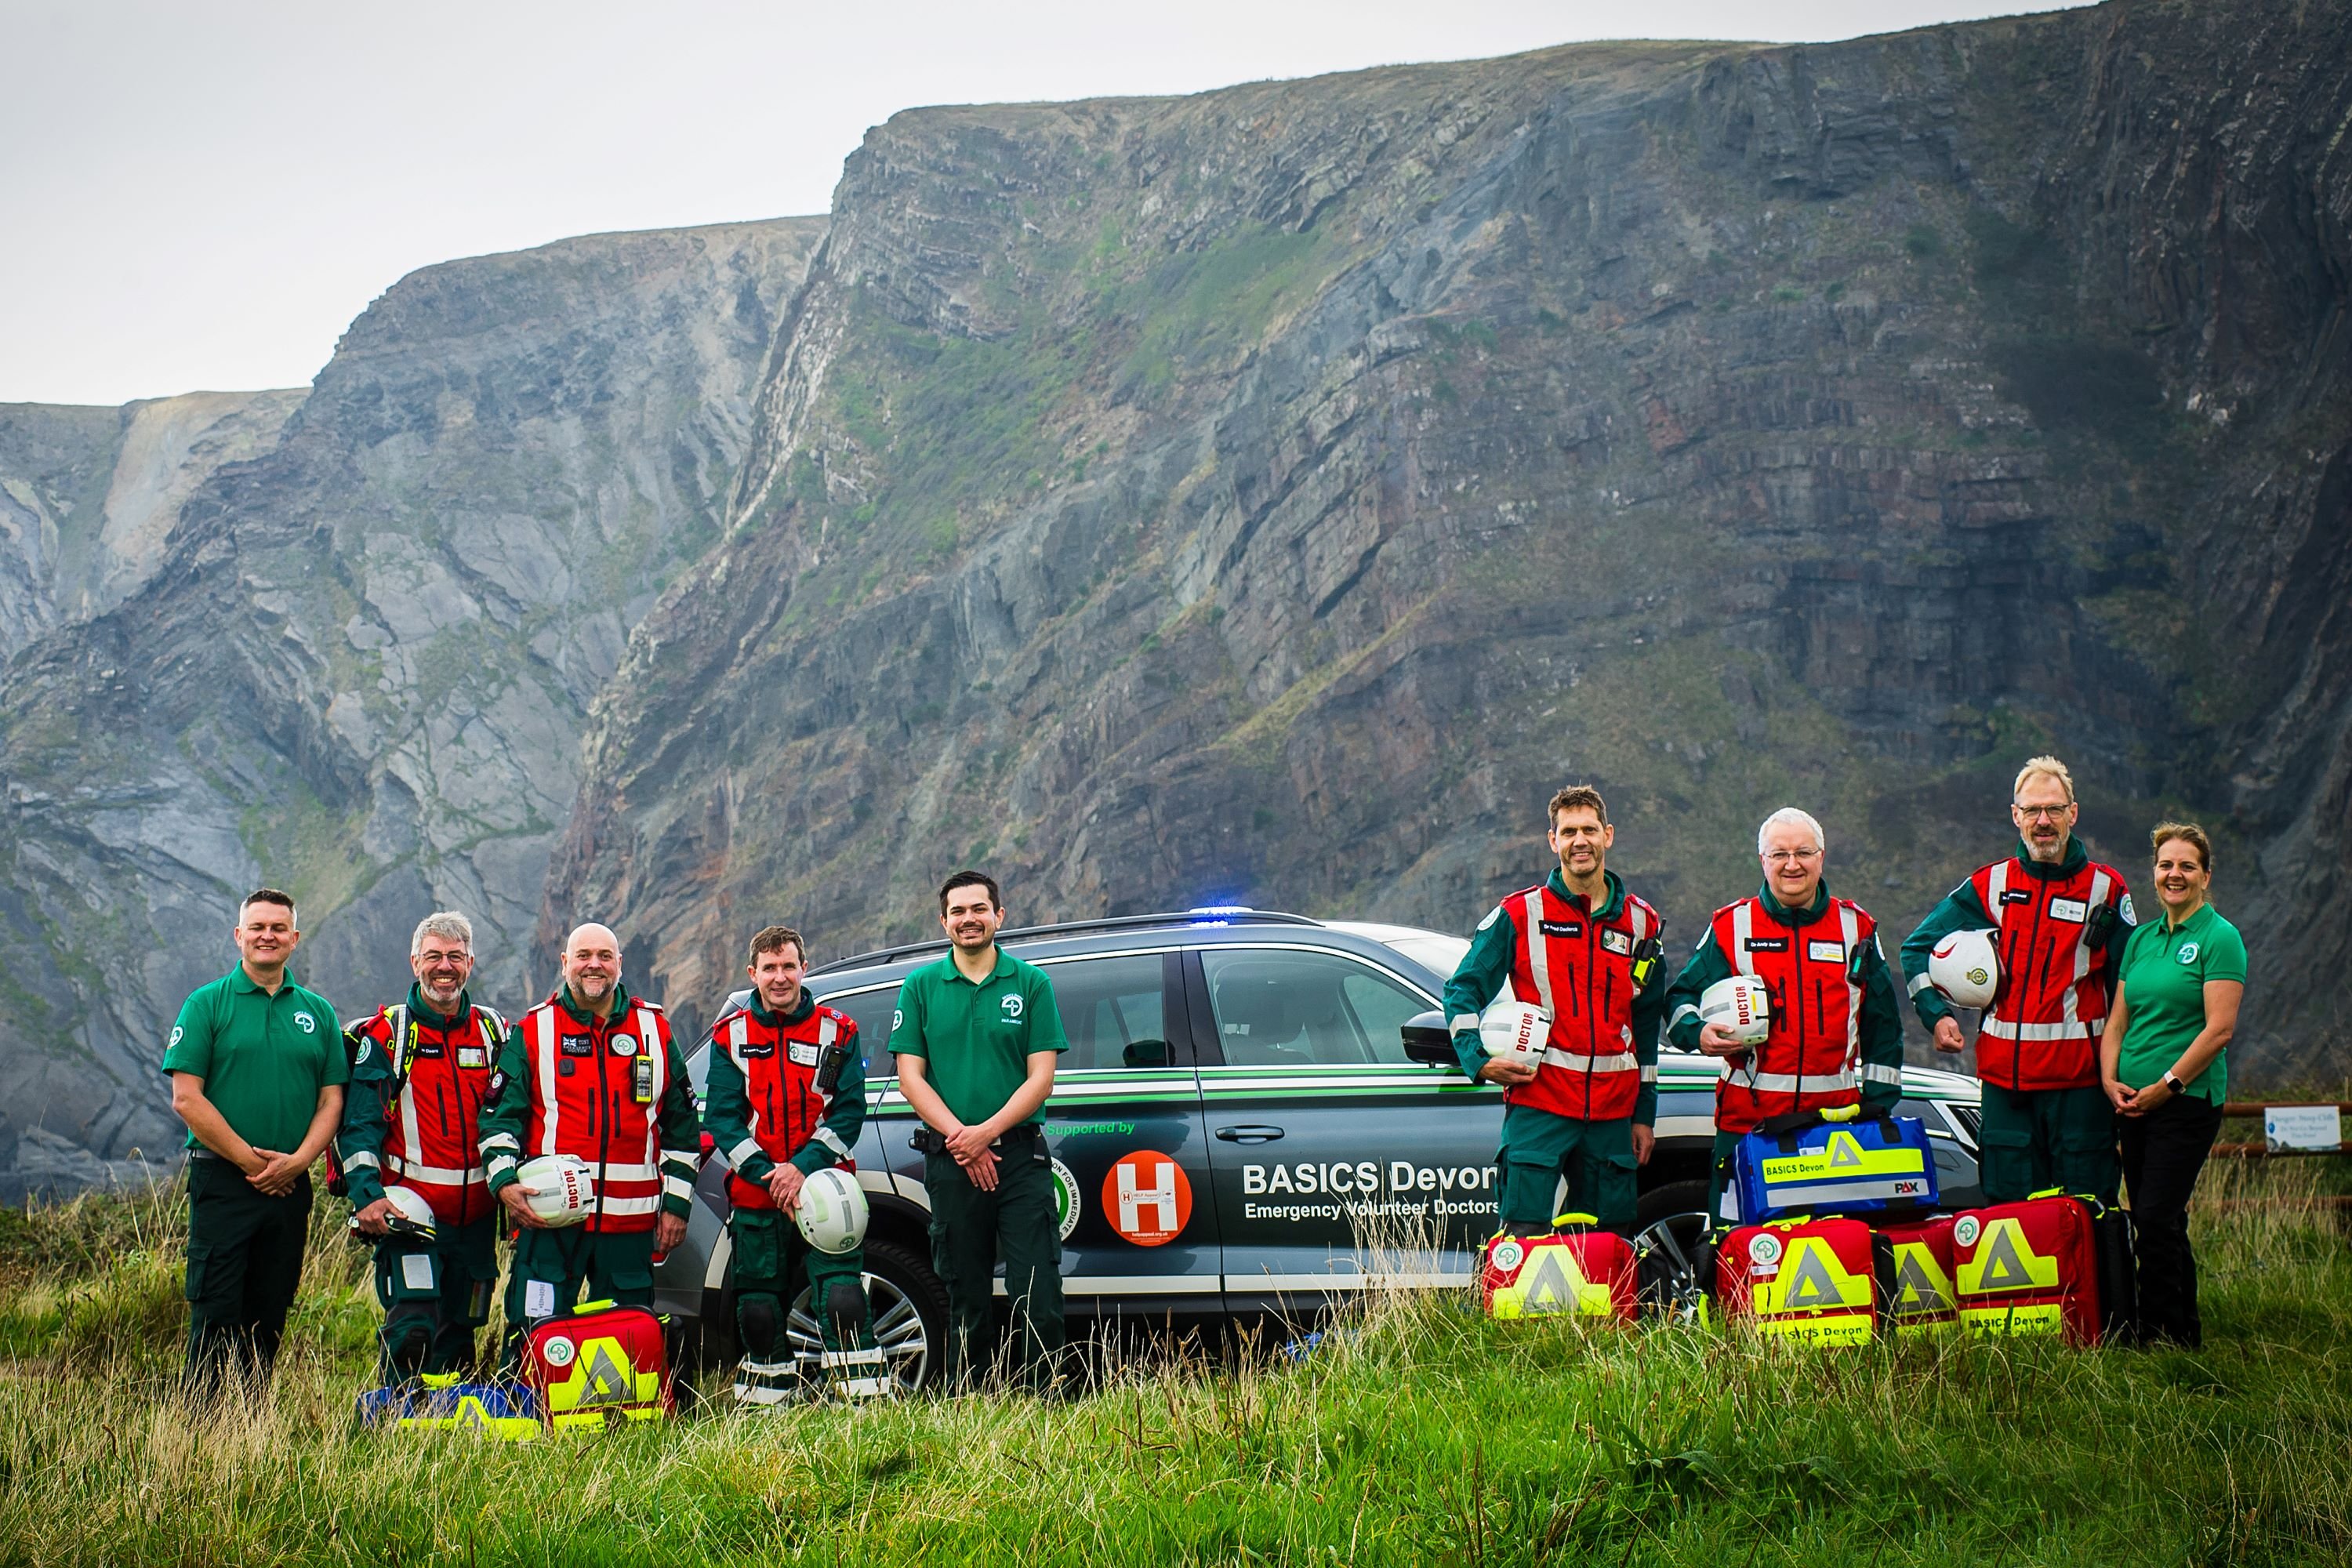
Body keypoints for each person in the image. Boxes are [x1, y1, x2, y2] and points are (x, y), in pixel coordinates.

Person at [1900, 756, 2136, 1204]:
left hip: (2080, 1091)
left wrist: (2122, 1070)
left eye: (2053, 809)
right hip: (2008, 1093)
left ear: (2073, 813)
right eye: (2032, 810)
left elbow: (2128, 988)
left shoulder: (2107, 890)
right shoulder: (1991, 885)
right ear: (2016, 816)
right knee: (2010, 1223)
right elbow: (1916, 948)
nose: (2042, 821)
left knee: (2089, 1216)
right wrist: (1936, 1016)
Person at [1440, 785, 1667, 1236]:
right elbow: (1462, 989)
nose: (1579, 841)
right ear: (1553, 841)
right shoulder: (1519, 914)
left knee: (1611, 1242)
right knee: (1525, 1235)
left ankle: (1605, 1312)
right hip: (1539, 1105)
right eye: (1568, 832)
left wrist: (1644, 1114)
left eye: (1588, 830)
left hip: (1611, 1113)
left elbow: (1645, 1026)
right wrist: (1478, 1061)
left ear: (1608, 836)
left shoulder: (1644, 923)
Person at [1664, 808, 1907, 1222]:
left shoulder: (1857, 929)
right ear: (1763, 861)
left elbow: (1884, 1026)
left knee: (1833, 1250)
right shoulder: (1732, 926)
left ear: (1821, 857)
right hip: (1749, 1125)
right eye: (1779, 854)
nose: (1792, 864)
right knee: (1738, 1245)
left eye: (1803, 853)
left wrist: (1877, 1107)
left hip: (1835, 1128)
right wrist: (1697, 1031)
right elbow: (1680, 999)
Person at [477, 922, 698, 1357]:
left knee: (627, 1337)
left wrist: (676, 1206)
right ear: (565, 964)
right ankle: (525, 1415)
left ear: (619, 963)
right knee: (532, 1328)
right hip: (551, 1220)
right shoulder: (535, 1030)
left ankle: (623, 1423)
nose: (593, 965)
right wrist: (504, 1182)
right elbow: (498, 1119)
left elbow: (682, 1127)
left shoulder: (655, 1030)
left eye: (603, 956)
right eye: (583, 956)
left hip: (630, 1225)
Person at [887, 871, 1069, 1392]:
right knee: (963, 1289)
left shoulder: (1031, 984)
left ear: (999, 916)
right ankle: (972, 1404)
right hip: (950, 1162)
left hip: (1018, 1162)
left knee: (1036, 1286)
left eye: (979, 909)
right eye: (959, 911)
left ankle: (1044, 1401)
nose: (970, 919)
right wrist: (962, 1141)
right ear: (944, 921)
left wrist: (984, 1134)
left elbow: (1041, 1079)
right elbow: (910, 1077)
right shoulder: (920, 987)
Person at [162, 888, 346, 1399]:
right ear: (239, 935)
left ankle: (251, 1427)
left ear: (295, 939)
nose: (268, 935)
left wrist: (299, 1163)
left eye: (278, 928)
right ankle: (200, 1432)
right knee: (216, 1308)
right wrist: (252, 1163)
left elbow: (332, 1100)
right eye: (258, 927)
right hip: (223, 1180)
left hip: (291, 1186)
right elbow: (186, 1099)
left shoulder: (319, 1013)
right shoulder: (206, 1004)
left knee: (269, 1309)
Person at [702, 924, 877, 1403]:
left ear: (804, 967)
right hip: (758, 1190)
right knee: (757, 1307)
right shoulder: (729, 1035)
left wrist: (801, 1169)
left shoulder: (839, 1032)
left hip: (825, 1186)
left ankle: (865, 1406)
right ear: (752, 973)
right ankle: (770, 1404)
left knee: (842, 1296)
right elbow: (722, 1117)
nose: (779, 978)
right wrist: (771, 1175)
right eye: (769, 968)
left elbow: (847, 1111)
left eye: (788, 966)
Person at [333, 911, 508, 1381]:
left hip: (476, 1219)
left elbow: (518, 1116)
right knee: (413, 1326)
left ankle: (448, 1438)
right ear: (415, 962)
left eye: (454, 956)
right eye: (434, 956)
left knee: (461, 1333)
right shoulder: (389, 1034)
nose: (444, 967)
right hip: (410, 1214)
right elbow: (360, 1125)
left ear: (470, 962)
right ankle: (394, 1427)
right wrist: (368, 1196)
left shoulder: (494, 1032)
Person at [2101, 822, 2244, 1348]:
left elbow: (2219, 1030)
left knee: (2156, 1216)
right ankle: (2183, 1333)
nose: (2174, 875)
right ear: (2154, 874)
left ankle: (2155, 1332)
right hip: (2133, 1101)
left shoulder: (2219, 938)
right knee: (2156, 1216)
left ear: (2205, 876)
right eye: (2166, 865)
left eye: (2186, 866)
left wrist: (2168, 1085)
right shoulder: (2141, 939)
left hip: (2186, 1102)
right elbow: (2118, 1021)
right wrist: (2109, 1079)